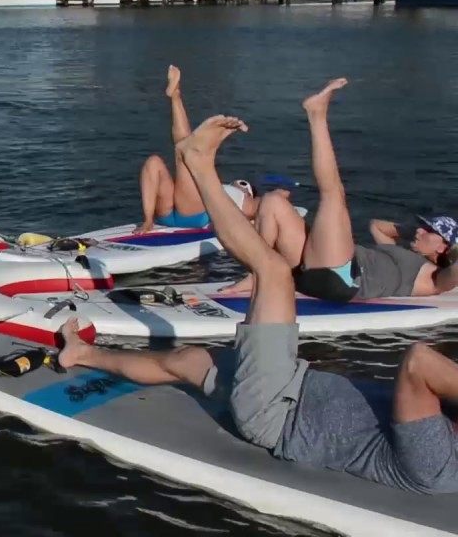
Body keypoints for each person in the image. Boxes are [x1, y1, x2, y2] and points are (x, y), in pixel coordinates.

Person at [56, 112, 458, 495]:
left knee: (273, 271)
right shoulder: (440, 443)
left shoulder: (436, 462)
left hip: (276, 408)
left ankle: (198, 163)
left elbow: (420, 361)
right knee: (184, 361)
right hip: (291, 384)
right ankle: (82, 353)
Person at [222, 78, 458, 300]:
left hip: (343, 277)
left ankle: (317, 115)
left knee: (334, 194)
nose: (421, 231)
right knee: (272, 201)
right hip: (314, 270)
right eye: (425, 227)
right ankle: (258, 273)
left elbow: (452, 276)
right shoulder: (398, 252)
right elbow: (377, 226)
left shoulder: (433, 280)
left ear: (443, 246)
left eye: (429, 230)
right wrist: (412, 231)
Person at [136, 65, 257, 233]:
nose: (239, 183)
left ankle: (176, 97)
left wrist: (279, 196)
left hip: (193, 215)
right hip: (171, 211)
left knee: (185, 155)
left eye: (243, 184)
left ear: (249, 192)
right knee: (155, 162)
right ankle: (148, 219)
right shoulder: (233, 194)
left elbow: (262, 208)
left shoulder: (245, 200)